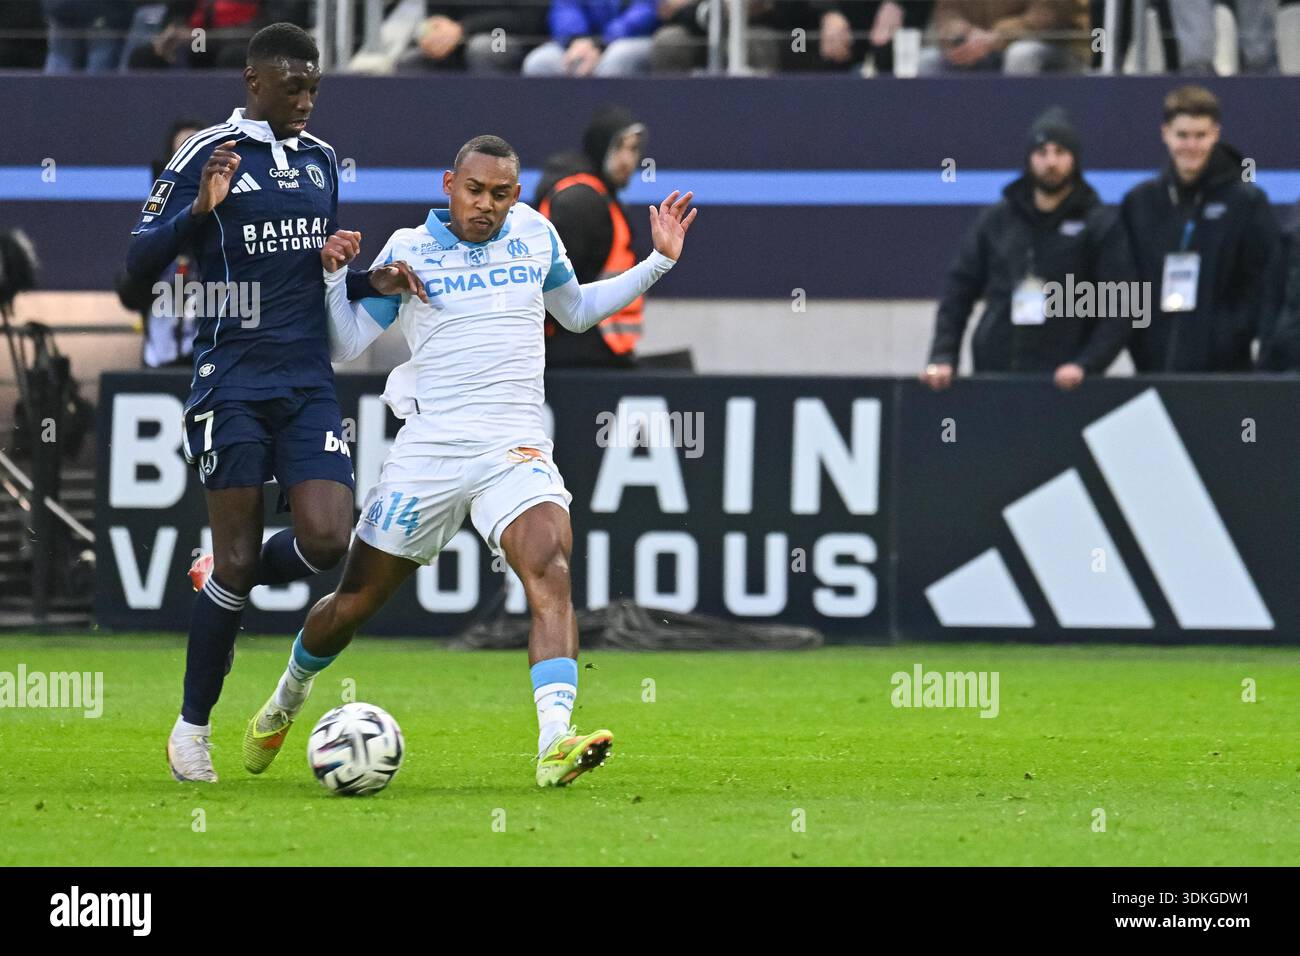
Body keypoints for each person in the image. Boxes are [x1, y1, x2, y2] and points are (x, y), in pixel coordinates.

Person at [239, 136, 696, 789]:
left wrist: (656, 263)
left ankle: (553, 741)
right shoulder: (407, 249)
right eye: (475, 191)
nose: (487, 206)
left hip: (514, 445)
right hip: (429, 451)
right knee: (354, 601)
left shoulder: (536, 234)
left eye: (501, 194)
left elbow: (575, 312)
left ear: (517, 193)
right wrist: (336, 276)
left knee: (551, 566)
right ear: (449, 183)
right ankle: (286, 698)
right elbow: (342, 343)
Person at [124, 23, 422, 784]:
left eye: (315, 87)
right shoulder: (207, 154)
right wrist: (197, 212)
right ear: (254, 82)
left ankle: (234, 566)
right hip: (231, 380)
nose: (307, 101)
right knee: (236, 563)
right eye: (294, 87)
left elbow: (309, 274)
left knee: (330, 542)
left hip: (306, 379)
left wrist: (363, 278)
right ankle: (192, 731)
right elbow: (134, 272)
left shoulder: (322, 162)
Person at [921, 107, 1137, 390]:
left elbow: (1123, 306)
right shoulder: (998, 219)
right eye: (1042, 152)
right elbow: (958, 289)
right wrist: (943, 355)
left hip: (1064, 381)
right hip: (995, 371)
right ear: (1029, 157)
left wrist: (1088, 364)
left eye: (1060, 152)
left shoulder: (1098, 224)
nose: (1051, 162)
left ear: (1075, 158)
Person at [1119, 85, 1279, 372]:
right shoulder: (1139, 202)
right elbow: (1124, 281)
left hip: (1225, 371)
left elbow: (1264, 282)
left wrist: (1230, 334)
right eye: (1182, 135)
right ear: (1165, 133)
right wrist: (1140, 338)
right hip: (1152, 365)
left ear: (1216, 134)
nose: (1191, 146)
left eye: (1200, 135)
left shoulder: (1246, 202)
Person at [534, 104, 651, 367]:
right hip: (579, 355)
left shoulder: (594, 194)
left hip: (595, 347)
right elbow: (551, 284)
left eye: (633, 150)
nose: (627, 160)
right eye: (618, 147)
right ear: (601, 147)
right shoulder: (580, 200)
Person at [116, 117, 206, 368]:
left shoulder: (228, 221)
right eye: (182, 154)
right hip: (159, 364)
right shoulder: (155, 218)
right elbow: (128, 292)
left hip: (210, 367)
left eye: (197, 153)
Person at [918, 0, 1089, 75]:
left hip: (1053, 46)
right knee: (927, 61)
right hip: (981, 49)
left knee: (1021, 55)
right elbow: (947, 11)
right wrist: (958, 30)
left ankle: (1017, 132)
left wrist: (996, 37)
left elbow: (1049, 15)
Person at [397, 2, 548, 74]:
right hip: (458, 41)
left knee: (483, 48)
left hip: (510, 39)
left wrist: (464, 28)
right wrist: (436, 33)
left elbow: (529, 21)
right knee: (410, 60)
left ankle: (490, 126)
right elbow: (438, 12)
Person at [521, 0, 659, 76]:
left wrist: (600, 43)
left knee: (616, 60)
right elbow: (565, 8)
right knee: (540, 62)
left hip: (634, 40)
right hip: (579, 43)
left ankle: (608, 125)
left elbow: (645, 11)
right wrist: (577, 38)